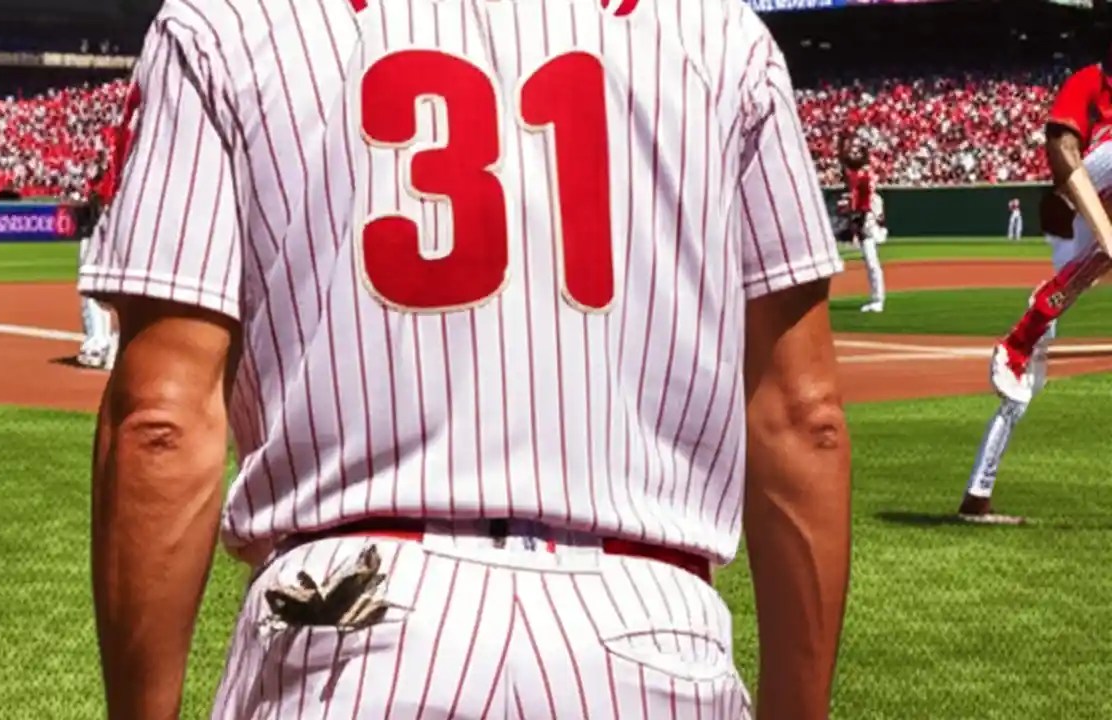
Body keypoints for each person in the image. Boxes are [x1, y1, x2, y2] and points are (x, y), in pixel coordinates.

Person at [79, 3, 852, 719]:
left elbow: (161, 419)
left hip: (343, 632)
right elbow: (803, 418)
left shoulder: (226, 22)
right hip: (652, 630)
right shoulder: (721, 37)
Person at [990, 53, 1112, 405]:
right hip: (1082, 188)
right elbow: (1063, 150)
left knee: (1076, 280)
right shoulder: (1089, 80)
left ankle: (1019, 342)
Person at [960, 191, 1083, 524]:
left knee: (1018, 402)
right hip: (1047, 306)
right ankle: (976, 497)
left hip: (1051, 302)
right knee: (1017, 400)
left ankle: (977, 496)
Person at [75, 164, 118, 370]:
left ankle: (97, 345)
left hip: (96, 232)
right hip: (106, 231)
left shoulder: (105, 174)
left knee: (91, 290)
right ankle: (105, 342)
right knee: (100, 290)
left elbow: (99, 198)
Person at [842, 135, 886, 312]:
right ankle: (877, 299)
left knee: (871, 262)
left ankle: (878, 300)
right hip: (865, 216)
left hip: (866, 218)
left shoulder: (864, 175)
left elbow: (864, 203)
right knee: (870, 261)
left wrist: (857, 224)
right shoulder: (859, 174)